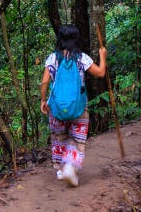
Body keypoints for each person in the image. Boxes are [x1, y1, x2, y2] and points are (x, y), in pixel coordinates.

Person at [39, 24, 107, 187]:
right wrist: (102, 56)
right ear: (76, 39)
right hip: (79, 106)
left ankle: (61, 169)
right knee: (77, 138)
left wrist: (43, 100)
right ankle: (70, 166)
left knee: (59, 137)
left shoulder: (53, 58)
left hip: (56, 106)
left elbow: (45, 81)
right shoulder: (81, 58)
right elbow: (100, 73)